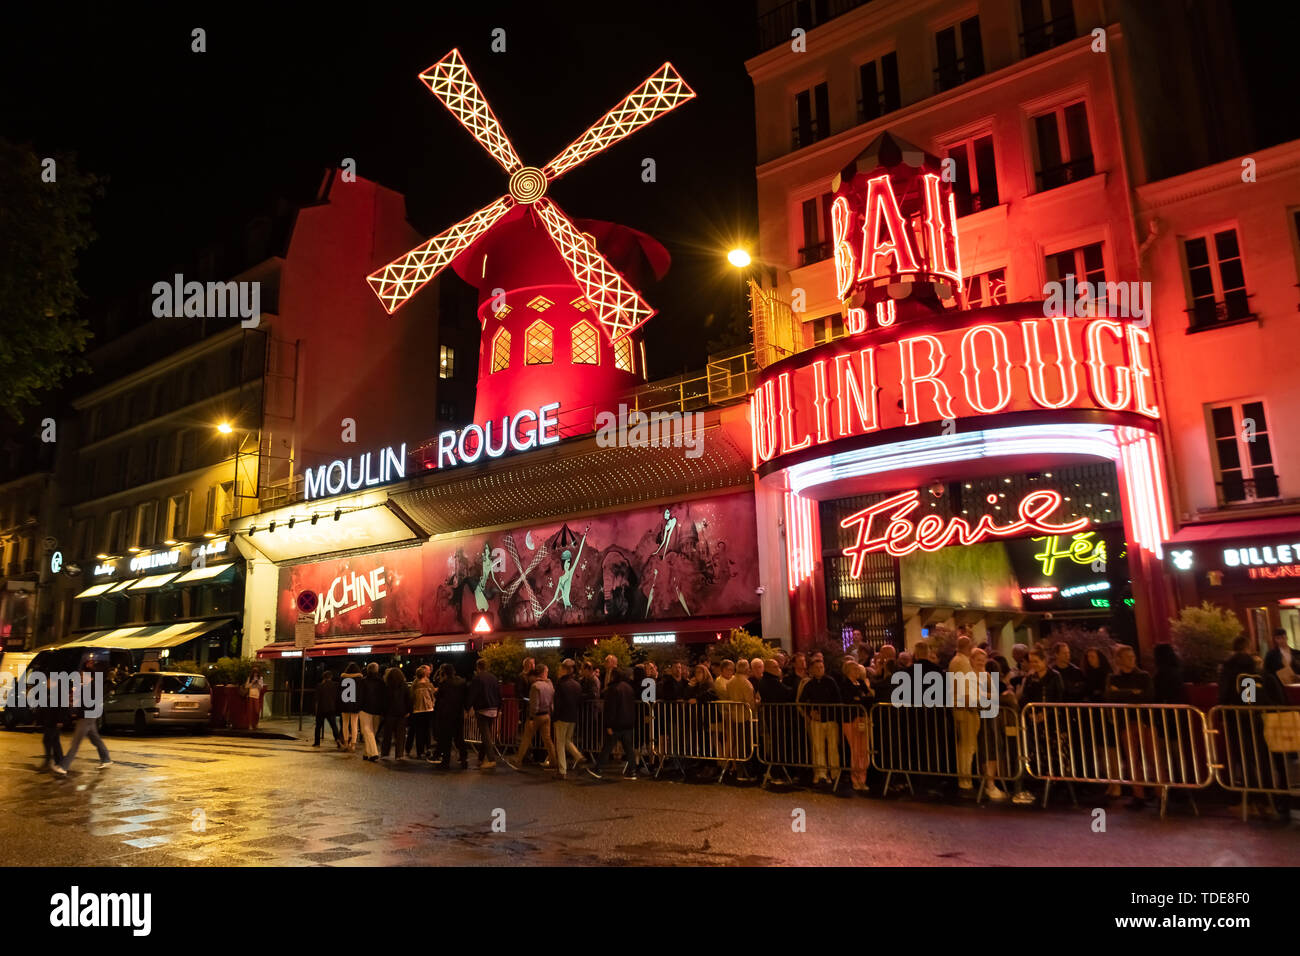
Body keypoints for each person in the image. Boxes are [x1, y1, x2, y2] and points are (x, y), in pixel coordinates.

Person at [1105, 644, 1156, 808]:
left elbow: (1148, 696)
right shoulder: (1113, 678)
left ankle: (1161, 793)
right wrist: (1133, 693)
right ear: (1119, 660)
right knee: (1132, 760)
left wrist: (1122, 693)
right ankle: (1138, 795)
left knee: (1153, 758)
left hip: (1145, 722)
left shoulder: (1144, 676)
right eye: (1128, 657)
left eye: (1133, 657)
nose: (1132, 660)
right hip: (1125, 723)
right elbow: (1110, 696)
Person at [53, 662, 110, 775]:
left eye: (83, 675)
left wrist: (77, 712)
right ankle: (106, 759)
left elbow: (89, 704)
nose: (81, 676)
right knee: (95, 739)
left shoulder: (92, 687)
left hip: (86, 717)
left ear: (90, 676)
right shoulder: (88, 686)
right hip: (88, 717)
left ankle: (63, 766)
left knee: (75, 743)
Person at [588, 667, 638, 780]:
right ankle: (632, 771)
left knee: (607, 747)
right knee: (628, 748)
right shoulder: (629, 688)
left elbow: (611, 709)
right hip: (627, 723)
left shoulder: (613, 689)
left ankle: (598, 769)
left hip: (616, 723)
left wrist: (609, 725)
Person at [799, 657, 842, 788]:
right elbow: (802, 701)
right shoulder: (809, 684)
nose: (819, 670)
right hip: (816, 722)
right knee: (818, 748)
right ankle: (821, 773)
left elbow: (838, 699)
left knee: (833, 748)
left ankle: (835, 773)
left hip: (830, 719)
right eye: (817, 668)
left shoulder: (830, 682)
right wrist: (810, 712)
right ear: (811, 670)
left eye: (821, 667)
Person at [508, 666, 559, 772]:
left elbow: (534, 704)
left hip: (536, 716)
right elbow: (551, 703)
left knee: (526, 738)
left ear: (534, 675)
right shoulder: (549, 685)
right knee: (548, 740)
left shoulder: (535, 686)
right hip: (547, 715)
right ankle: (554, 761)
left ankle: (518, 760)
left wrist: (531, 717)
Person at [840, 661, 873, 792]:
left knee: (863, 749)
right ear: (848, 670)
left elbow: (869, 697)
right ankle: (855, 778)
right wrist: (860, 699)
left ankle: (863, 778)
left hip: (863, 718)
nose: (857, 671)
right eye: (854, 669)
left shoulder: (862, 683)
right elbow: (849, 699)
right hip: (850, 719)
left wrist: (861, 699)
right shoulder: (845, 685)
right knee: (855, 749)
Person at [432, 663, 470, 769]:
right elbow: (466, 697)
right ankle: (463, 758)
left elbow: (438, 696)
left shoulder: (444, 683)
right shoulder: (462, 682)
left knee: (446, 738)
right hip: (458, 713)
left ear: (444, 672)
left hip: (446, 714)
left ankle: (446, 761)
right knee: (459, 738)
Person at [552, 659, 585, 780]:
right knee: (567, 740)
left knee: (560, 743)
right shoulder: (577, 684)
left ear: (564, 670)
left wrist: (555, 716)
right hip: (573, 716)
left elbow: (558, 702)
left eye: (560, 669)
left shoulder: (561, 684)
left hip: (562, 717)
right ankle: (578, 755)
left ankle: (562, 770)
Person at [466, 658, 501, 768]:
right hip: (493, 708)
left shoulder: (477, 679)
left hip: (482, 709)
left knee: (486, 736)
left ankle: (491, 759)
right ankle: (481, 758)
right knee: (485, 735)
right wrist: (499, 708)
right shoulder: (494, 678)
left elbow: (473, 694)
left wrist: (467, 707)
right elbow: (498, 693)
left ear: (477, 667)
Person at [357, 662, 387, 762]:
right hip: (377, 710)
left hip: (365, 708)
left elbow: (359, 695)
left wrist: (358, 707)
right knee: (372, 731)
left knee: (367, 730)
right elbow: (384, 697)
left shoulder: (363, 681)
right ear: (377, 670)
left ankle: (373, 753)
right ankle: (367, 753)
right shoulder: (381, 682)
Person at [381, 666, 412, 760]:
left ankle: (385, 753)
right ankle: (399, 754)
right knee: (400, 735)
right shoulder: (405, 686)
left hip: (389, 713)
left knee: (387, 734)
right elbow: (409, 699)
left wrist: (383, 712)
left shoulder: (386, 686)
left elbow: (384, 701)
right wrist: (409, 711)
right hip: (402, 713)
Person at [37, 673, 65, 771]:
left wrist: (60, 720)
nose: (47, 683)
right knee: (54, 742)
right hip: (49, 721)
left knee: (48, 741)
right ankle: (59, 762)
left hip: (54, 721)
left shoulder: (58, 693)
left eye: (49, 681)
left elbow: (61, 708)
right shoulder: (49, 692)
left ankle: (49, 762)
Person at [1218, 636, 1258, 705]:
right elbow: (1251, 681)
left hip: (1230, 702)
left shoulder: (1227, 663)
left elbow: (1224, 685)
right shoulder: (1250, 662)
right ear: (1246, 648)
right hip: (1246, 700)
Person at [409, 665, 435, 759]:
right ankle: (428, 748)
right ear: (424, 675)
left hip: (417, 710)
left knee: (419, 731)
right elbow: (433, 695)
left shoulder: (414, 685)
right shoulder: (428, 684)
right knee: (427, 730)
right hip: (428, 709)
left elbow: (411, 698)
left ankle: (420, 751)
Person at [314, 670, 342, 749]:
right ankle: (337, 740)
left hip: (321, 709)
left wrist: (316, 711)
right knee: (334, 726)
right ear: (331, 677)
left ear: (323, 677)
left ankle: (317, 743)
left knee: (318, 726)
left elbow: (316, 699)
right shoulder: (335, 685)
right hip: (331, 708)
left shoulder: (319, 686)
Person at [339, 662, 362, 752]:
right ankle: (353, 745)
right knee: (354, 724)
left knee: (345, 723)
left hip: (344, 703)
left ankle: (345, 743)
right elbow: (360, 693)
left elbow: (339, 691)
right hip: (355, 703)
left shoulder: (342, 678)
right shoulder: (359, 679)